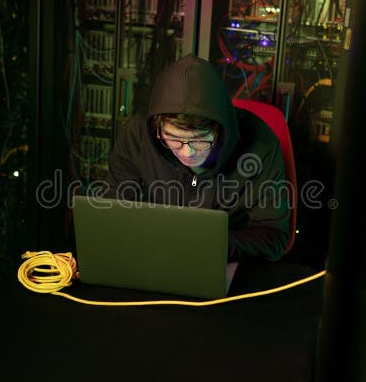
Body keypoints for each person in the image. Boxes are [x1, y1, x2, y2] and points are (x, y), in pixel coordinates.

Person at [106, 54, 290, 261]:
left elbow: (274, 237)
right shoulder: (137, 135)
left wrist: (211, 245)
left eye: (200, 141)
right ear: (157, 127)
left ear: (221, 130)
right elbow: (115, 212)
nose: (187, 153)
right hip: (149, 256)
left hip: (222, 260)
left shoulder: (261, 144)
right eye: (173, 139)